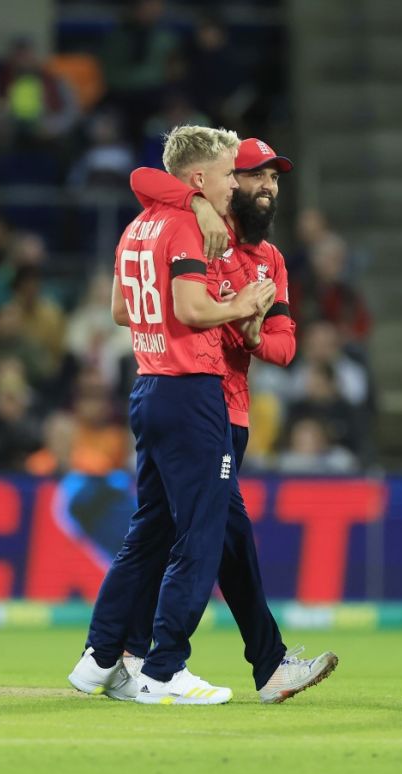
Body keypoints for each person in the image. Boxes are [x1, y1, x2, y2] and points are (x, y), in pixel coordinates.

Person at [120, 137, 339, 703]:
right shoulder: (198, 228)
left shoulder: (271, 260)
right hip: (188, 396)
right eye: (258, 176)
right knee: (198, 536)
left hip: (228, 411)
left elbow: (286, 349)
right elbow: (145, 177)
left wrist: (253, 331)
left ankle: (125, 652)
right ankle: (153, 659)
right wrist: (194, 206)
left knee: (206, 537)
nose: (269, 187)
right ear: (226, 183)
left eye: (275, 178)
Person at [67, 126, 270, 705]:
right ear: (200, 178)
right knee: (200, 532)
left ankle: (100, 656)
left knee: (148, 531)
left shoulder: (137, 227)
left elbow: (118, 308)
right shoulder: (185, 224)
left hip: (150, 385)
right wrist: (244, 303)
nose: (237, 182)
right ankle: (164, 669)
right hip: (190, 391)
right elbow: (191, 304)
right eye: (230, 172)